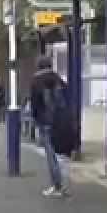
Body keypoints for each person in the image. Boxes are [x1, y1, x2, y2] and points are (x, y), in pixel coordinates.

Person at [29, 55, 72, 198]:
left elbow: (35, 104)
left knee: (51, 154)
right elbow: (66, 96)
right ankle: (61, 183)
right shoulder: (57, 78)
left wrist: (35, 119)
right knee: (60, 153)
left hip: (45, 121)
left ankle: (57, 185)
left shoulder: (36, 81)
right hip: (60, 120)